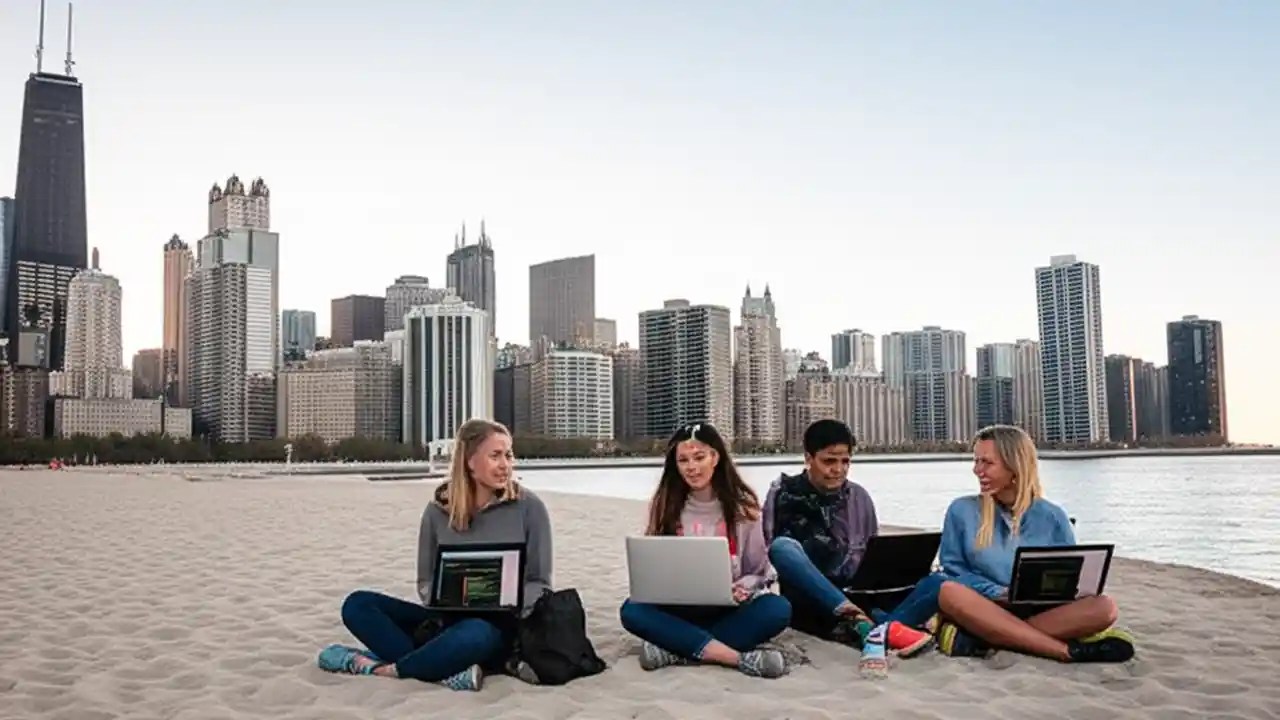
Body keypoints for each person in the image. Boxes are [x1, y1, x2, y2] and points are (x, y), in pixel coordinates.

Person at [317, 419, 554, 691]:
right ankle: (443, 670)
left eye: (509, 455)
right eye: (495, 455)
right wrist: (447, 595)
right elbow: (425, 580)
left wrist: (508, 602)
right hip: (445, 619)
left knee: (474, 633)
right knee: (357, 605)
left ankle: (391, 669)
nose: (505, 464)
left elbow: (540, 582)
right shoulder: (437, 511)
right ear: (469, 461)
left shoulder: (529, 508)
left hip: (500, 627)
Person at [932, 424, 1135, 663]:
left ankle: (986, 640)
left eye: (987, 463)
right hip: (985, 605)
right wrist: (998, 592)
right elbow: (953, 571)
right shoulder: (962, 511)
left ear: (1014, 466)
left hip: (1039, 609)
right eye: (976, 462)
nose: (977, 470)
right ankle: (1065, 651)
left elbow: (1067, 576)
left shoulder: (1053, 516)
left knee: (1105, 607)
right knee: (948, 593)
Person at [619, 422, 793, 679]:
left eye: (699, 457)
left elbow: (759, 571)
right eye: (683, 460)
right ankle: (734, 658)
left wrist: (742, 587)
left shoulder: (743, 508)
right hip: (679, 607)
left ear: (715, 457)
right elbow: (654, 563)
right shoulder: (665, 504)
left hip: (729, 607)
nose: (692, 467)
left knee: (778, 609)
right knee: (631, 610)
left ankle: (676, 649)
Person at [763, 419, 933, 659]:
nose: (838, 469)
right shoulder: (784, 494)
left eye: (845, 462)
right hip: (813, 601)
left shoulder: (859, 497)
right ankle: (862, 621)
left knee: (937, 582)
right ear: (808, 458)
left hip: (861, 594)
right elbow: (773, 555)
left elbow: (873, 552)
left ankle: (874, 628)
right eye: (829, 461)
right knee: (783, 547)